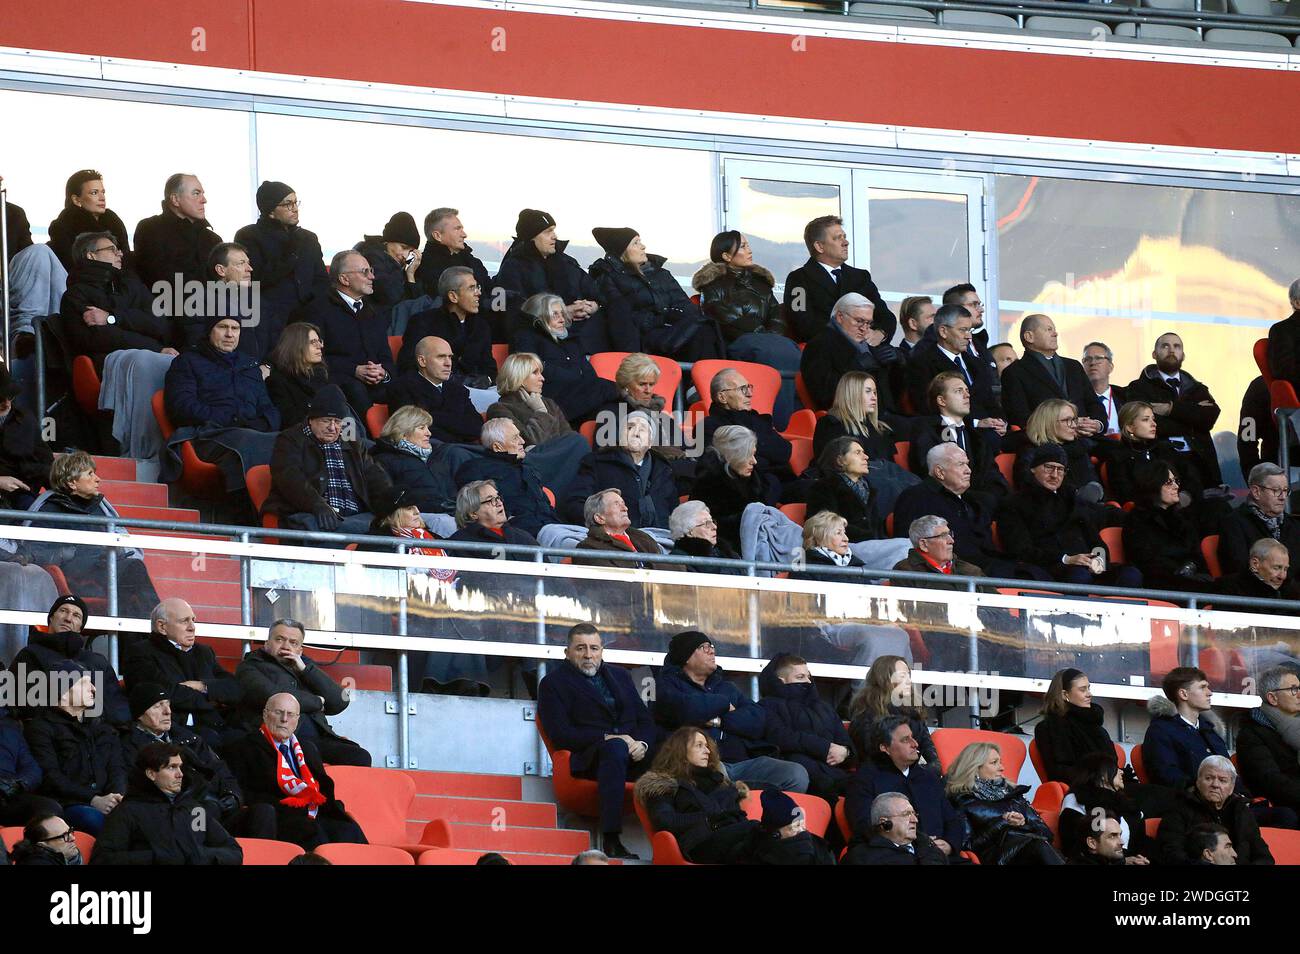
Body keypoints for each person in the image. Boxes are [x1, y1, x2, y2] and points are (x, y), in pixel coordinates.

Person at [537, 623, 658, 859]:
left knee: (676, 748)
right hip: (589, 758)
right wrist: (610, 738)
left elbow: (646, 722)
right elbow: (560, 733)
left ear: (602, 651)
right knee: (614, 749)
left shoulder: (621, 676)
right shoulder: (553, 683)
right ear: (567, 653)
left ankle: (679, 839)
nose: (588, 655)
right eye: (580, 648)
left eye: (594, 648)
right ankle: (611, 839)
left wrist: (640, 744)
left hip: (632, 755)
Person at [653, 630, 809, 793]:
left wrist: (718, 720)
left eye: (711, 647)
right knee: (715, 775)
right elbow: (687, 710)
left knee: (795, 774)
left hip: (743, 762)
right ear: (686, 656)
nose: (712, 651)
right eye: (704, 647)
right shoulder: (667, 686)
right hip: (705, 765)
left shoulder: (726, 687)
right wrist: (725, 704)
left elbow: (758, 720)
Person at [27, 453, 161, 625]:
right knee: (133, 570)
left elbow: (124, 540)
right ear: (71, 482)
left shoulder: (101, 509)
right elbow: (32, 550)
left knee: (131, 586)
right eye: (90, 474)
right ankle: (160, 625)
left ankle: (150, 631)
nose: (98, 479)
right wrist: (67, 552)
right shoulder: (49, 510)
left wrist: (118, 550)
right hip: (75, 579)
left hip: (104, 573)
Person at [222, 691, 367, 849]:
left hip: (315, 811)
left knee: (349, 830)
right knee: (313, 831)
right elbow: (242, 792)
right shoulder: (243, 747)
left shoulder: (307, 748)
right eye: (278, 712)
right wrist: (291, 805)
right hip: (280, 815)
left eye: (290, 714)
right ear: (265, 715)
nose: (284, 719)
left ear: (297, 721)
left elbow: (322, 786)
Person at [119, 683, 261, 838]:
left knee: (263, 812)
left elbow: (220, 770)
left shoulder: (189, 738)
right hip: (175, 815)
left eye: (168, 704)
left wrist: (232, 796)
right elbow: (136, 786)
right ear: (140, 714)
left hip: (214, 809)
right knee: (204, 811)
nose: (167, 712)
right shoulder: (129, 745)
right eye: (158, 706)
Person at [161, 313, 281, 491]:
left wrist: (259, 424)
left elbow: (269, 408)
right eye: (223, 327)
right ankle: (245, 513)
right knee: (250, 441)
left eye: (235, 328)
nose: (230, 334)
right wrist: (231, 420)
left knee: (288, 442)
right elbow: (181, 408)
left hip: (248, 432)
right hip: (206, 435)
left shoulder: (249, 366)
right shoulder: (187, 362)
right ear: (210, 331)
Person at [693, 230, 800, 424]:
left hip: (764, 340)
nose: (749, 250)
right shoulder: (713, 283)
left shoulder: (761, 283)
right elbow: (721, 316)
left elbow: (776, 314)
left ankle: (789, 418)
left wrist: (770, 335)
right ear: (726, 256)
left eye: (748, 245)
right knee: (773, 351)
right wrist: (759, 334)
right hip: (736, 341)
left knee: (789, 349)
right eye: (742, 246)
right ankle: (780, 420)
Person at [996, 443, 1138, 587]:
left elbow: (1096, 541)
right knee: (1079, 577)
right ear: (1033, 468)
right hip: (1051, 568)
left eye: (1060, 469)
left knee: (1130, 574)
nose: (1054, 475)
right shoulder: (1014, 504)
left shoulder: (1074, 500)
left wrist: (1099, 561)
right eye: (1049, 467)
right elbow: (1020, 549)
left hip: (1087, 567)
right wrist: (1066, 559)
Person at [235, 619, 372, 767]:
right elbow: (273, 696)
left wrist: (305, 670)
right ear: (267, 644)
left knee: (360, 756)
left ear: (300, 650)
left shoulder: (305, 667)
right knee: (310, 754)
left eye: (293, 643)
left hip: (319, 739)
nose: (286, 646)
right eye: (279, 640)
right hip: (280, 740)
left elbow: (340, 701)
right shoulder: (250, 666)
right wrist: (318, 702)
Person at [263, 384, 393, 534]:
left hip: (356, 516)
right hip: (311, 513)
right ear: (311, 420)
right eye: (326, 420)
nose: (333, 427)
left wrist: (393, 506)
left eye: (338, 422)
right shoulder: (290, 439)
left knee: (393, 527)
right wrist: (316, 505)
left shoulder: (353, 443)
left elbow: (375, 476)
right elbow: (290, 478)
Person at [893, 443, 1031, 579]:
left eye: (967, 464)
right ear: (940, 472)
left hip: (988, 568)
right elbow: (909, 547)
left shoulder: (976, 500)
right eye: (961, 465)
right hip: (954, 574)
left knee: (1035, 573)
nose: (968, 470)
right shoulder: (916, 497)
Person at [90, 743, 243, 865]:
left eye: (180, 767)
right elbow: (103, 859)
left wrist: (201, 855)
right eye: (172, 767)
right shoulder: (127, 811)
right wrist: (158, 857)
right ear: (151, 774)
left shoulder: (194, 810)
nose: (180, 774)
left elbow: (233, 851)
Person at [24, 663, 127, 836]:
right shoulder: (40, 729)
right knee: (94, 820)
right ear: (63, 692)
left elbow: (117, 768)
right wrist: (93, 799)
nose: (94, 689)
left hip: (109, 800)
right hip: (69, 805)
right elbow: (51, 777)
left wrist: (116, 796)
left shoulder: (102, 727)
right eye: (84, 683)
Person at [843, 714, 967, 857]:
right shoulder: (864, 780)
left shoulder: (929, 778)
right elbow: (864, 826)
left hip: (939, 856)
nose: (915, 743)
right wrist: (919, 844)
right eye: (905, 740)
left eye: (912, 737)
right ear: (885, 747)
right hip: (892, 856)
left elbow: (952, 820)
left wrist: (949, 844)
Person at [589, 227, 720, 360]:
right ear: (622, 251)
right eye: (636, 243)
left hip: (675, 330)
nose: (643, 246)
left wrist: (679, 316)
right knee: (701, 332)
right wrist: (662, 318)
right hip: (644, 338)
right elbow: (620, 316)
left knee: (707, 326)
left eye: (640, 241)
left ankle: (706, 377)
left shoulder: (662, 274)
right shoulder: (608, 277)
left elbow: (685, 305)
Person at [122, 598, 240, 746]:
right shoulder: (141, 652)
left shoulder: (204, 652)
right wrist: (213, 698)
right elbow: (164, 694)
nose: (192, 627)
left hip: (216, 727)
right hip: (173, 733)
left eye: (193, 620)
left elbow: (235, 688)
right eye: (184, 621)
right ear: (162, 627)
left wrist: (202, 686)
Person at [633, 726, 760, 864]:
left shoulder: (720, 782)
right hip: (697, 844)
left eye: (707, 746)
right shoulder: (663, 783)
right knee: (757, 829)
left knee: (776, 845)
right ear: (680, 751)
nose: (707, 751)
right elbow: (665, 821)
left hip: (731, 841)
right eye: (699, 746)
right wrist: (710, 819)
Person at [232, 181, 329, 354]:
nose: (295, 208)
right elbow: (257, 277)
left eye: (296, 202)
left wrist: (314, 303)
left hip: (309, 314)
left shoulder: (308, 238)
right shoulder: (249, 235)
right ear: (270, 211)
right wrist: (291, 254)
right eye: (287, 204)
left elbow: (321, 278)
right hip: (269, 317)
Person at [494, 209, 609, 352]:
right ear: (532, 237)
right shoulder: (512, 268)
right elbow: (512, 314)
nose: (554, 236)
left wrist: (594, 305)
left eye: (553, 231)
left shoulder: (567, 263)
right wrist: (562, 312)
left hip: (582, 342)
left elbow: (596, 292)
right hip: (541, 346)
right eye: (548, 231)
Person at [60, 230, 174, 372]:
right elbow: (100, 338)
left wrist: (111, 317)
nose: (120, 254)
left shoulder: (132, 285)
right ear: (91, 255)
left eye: (118, 249)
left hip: (152, 356)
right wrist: (155, 348)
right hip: (109, 367)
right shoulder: (75, 295)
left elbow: (160, 324)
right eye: (111, 249)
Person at [1124, 331, 1224, 491]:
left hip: (1202, 462)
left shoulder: (1197, 388)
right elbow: (1147, 424)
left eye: (1176, 346)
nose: (1171, 350)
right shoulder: (1138, 388)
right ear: (1154, 354)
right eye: (1165, 346)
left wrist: (1169, 409)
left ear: (1183, 355)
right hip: (1161, 461)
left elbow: (1209, 418)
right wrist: (1192, 419)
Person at [9, 595, 130, 726]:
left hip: (100, 740)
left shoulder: (97, 661)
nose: (68, 618)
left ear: (80, 628)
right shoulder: (30, 655)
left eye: (76, 615)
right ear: (51, 618)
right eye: (63, 611)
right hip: (51, 737)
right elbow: (25, 707)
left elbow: (118, 711)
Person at [297, 250, 395, 412]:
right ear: (344, 279)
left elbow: (386, 357)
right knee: (355, 390)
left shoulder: (374, 313)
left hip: (377, 384)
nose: (372, 277)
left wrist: (383, 373)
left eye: (371, 271)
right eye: (365, 272)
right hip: (340, 382)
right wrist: (354, 370)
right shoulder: (317, 310)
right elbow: (310, 358)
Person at [813, 371, 917, 517]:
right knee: (891, 486)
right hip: (857, 477)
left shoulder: (879, 428)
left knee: (918, 487)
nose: (874, 397)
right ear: (852, 394)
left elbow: (890, 465)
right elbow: (831, 464)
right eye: (868, 392)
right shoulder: (831, 424)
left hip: (886, 474)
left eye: (875, 392)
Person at [484, 352, 590, 496]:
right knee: (578, 441)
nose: (543, 378)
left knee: (578, 442)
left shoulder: (549, 404)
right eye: (535, 373)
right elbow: (526, 443)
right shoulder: (499, 409)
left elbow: (567, 438)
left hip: (559, 461)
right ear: (519, 377)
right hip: (530, 466)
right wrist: (540, 412)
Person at [945, 742, 1064, 865]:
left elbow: (1047, 834)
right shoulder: (962, 800)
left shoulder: (1013, 794)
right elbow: (966, 846)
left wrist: (1024, 822)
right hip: (1001, 857)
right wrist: (1002, 823)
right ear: (974, 768)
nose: (1002, 768)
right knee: (1039, 847)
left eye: (1000, 762)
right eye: (994, 763)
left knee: (1042, 847)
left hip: (1034, 849)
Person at [782, 215, 895, 344]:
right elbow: (801, 323)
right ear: (819, 246)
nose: (846, 242)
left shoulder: (861, 277)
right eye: (837, 238)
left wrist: (879, 334)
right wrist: (848, 334)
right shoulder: (799, 279)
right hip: (825, 353)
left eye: (844, 237)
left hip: (867, 352)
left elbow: (886, 317)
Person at [757, 653, 855, 802]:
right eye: (800, 677)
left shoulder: (824, 708)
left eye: (809, 677)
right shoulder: (767, 706)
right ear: (781, 681)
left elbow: (846, 743)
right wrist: (823, 747)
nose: (808, 682)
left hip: (836, 773)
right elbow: (781, 737)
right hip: (803, 775)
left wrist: (845, 752)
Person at [511, 292, 617, 424]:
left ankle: (609, 444)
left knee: (613, 410)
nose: (562, 319)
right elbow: (532, 369)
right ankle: (637, 396)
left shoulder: (571, 340)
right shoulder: (526, 338)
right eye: (555, 314)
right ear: (538, 315)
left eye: (562, 313)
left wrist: (585, 383)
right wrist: (577, 378)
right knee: (609, 388)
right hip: (552, 401)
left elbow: (588, 371)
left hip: (581, 399)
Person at [805, 440, 911, 569]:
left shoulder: (869, 487)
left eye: (864, 452)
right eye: (857, 452)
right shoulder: (823, 487)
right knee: (907, 547)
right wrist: (867, 535)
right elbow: (823, 525)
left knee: (910, 549)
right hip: (846, 546)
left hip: (871, 545)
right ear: (840, 460)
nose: (866, 457)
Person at [564, 412, 676, 531]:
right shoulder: (596, 463)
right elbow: (576, 504)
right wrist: (603, 527)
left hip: (659, 540)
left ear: (650, 443)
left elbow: (674, 513)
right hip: (613, 540)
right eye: (630, 427)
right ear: (620, 436)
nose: (636, 433)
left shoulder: (664, 470)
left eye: (642, 430)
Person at [910, 371, 1008, 507]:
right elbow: (929, 474)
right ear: (941, 400)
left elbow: (991, 473)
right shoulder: (927, 432)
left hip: (979, 503)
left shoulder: (976, 436)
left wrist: (995, 496)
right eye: (958, 391)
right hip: (945, 502)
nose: (967, 395)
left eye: (967, 390)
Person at [454, 418, 561, 539]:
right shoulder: (475, 468)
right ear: (497, 447)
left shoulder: (528, 469)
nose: (522, 441)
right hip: (522, 533)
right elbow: (475, 506)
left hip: (554, 527)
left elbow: (545, 505)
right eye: (515, 438)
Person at [1156, 756, 1274, 865]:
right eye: (1209, 778)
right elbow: (1171, 854)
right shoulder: (1179, 808)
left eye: (1222, 780)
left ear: (1231, 787)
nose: (1215, 784)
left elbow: (1264, 856)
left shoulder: (1241, 811)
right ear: (1198, 782)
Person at [999, 313, 1105, 432]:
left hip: (1086, 437)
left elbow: (1093, 403)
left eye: (1054, 330)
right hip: (1046, 441)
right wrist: (1064, 425)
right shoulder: (1014, 372)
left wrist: (1097, 424)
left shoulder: (1073, 366)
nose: (1055, 333)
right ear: (1029, 336)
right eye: (1049, 329)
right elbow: (1018, 416)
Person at [1123, 462, 1216, 593]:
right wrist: (1180, 570)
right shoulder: (1137, 519)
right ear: (1152, 484)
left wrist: (1190, 567)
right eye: (1168, 482)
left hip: (1190, 579)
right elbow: (1146, 561)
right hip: (1161, 584)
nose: (1176, 486)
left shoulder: (1182, 518)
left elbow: (1196, 554)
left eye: (1176, 481)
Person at [799, 292, 900, 411]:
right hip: (849, 419)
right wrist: (857, 367)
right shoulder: (820, 345)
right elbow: (823, 395)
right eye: (859, 321)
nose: (864, 328)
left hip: (883, 415)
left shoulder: (869, 345)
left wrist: (898, 363)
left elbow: (892, 393)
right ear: (840, 317)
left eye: (868, 323)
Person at [688, 425, 781, 554]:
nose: (754, 461)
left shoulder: (757, 480)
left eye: (754, 455)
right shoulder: (707, 484)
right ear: (732, 455)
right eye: (748, 455)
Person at [399, 265, 495, 389]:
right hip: (435, 392)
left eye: (478, 287)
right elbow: (408, 365)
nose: (479, 293)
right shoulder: (423, 322)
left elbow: (490, 368)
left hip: (478, 392)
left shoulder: (481, 326)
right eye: (472, 288)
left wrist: (486, 379)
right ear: (453, 296)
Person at [906, 303, 1002, 424]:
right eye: (963, 330)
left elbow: (990, 402)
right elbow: (927, 408)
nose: (969, 336)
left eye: (970, 330)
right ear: (943, 331)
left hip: (989, 431)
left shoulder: (978, 363)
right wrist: (976, 423)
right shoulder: (922, 363)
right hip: (949, 433)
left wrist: (1001, 422)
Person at [370, 405, 463, 528]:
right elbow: (390, 501)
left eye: (428, 428)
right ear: (403, 433)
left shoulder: (435, 458)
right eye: (421, 428)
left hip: (449, 512)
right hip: (417, 516)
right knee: (446, 523)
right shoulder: (384, 460)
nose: (429, 433)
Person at [1143, 667, 1231, 791]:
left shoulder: (1210, 731)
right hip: (1189, 804)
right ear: (1183, 694)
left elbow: (1230, 773)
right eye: (1202, 687)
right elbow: (1166, 776)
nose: (1209, 692)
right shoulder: (1160, 731)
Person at [386, 335, 484, 445]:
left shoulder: (458, 389)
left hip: (463, 450)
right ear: (422, 361)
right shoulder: (402, 387)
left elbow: (477, 427)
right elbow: (412, 430)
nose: (448, 363)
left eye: (450, 357)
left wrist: (433, 416)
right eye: (441, 357)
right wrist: (457, 421)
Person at [1057, 750, 1153, 863]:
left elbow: (1138, 836)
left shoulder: (1122, 802)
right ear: (1103, 774)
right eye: (1115, 768)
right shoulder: (1080, 801)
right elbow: (1087, 846)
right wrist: (1123, 861)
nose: (1121, 772)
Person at [701, 367, 794, 483]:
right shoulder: (706, 426)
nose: (749, 394)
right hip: (744, 488)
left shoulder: (758, 419)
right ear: (722, 397)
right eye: (742, 389)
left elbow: (784, 451)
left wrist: (748, 446)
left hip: (782, 481)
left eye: (749, 388)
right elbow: (726, 465)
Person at [594, 352, 690, 464]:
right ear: (626, 385)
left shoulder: (663, 418)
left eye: (652, 384)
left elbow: (690, 451)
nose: (648, 390)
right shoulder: (611, 413)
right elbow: (607, 456)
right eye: (642, 384)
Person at [132, 173, 222, 291]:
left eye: (202, 194)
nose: (204, 200)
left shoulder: (212, 239)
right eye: (196, 193)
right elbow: (156, 279)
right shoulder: (150, 229)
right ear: (175, 199)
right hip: (168, 305)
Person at [847, 654, 938, 766]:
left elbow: (928, 747)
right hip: (880, 776)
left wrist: (933, 768)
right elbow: (869, 755)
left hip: (910, 774)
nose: (909, 681)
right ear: (885, 679)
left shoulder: (913, 710)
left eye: (909, 676)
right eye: (902, 676)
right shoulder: (867, 713)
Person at [1100, 400, 1194, 506]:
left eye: (1153, 419)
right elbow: (1126, 495)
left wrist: (1185, 497)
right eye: (1145, 420)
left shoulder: (1164, 449)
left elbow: (1191, 480)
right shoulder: (1118, 457)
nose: (1154, 424)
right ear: (1129, 427)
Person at [265, 321, 356, 428]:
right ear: (296, 346)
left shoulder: (324, 377)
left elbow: (345, 421)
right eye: (313, 342)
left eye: (319, 341)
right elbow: (291, 422)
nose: (320, 346)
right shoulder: (278, 382)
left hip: (341, 437)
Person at [1235, 665, 1300, 814]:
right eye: (1293, 689)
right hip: (1284, 809)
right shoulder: (1251, 735)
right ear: (1272, 698)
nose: (1299, 694)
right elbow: (1272, 783)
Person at [1033, 668, 1116, 784]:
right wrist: (1101, 778)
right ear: (1064, 694)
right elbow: (1060, 772)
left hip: (1109, 785)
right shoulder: (1051, 728)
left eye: (1089, 688)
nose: (1089, 694)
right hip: (1085, 791)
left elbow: (1113, 763)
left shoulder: (1094, 724)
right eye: (1083, 690)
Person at [1220, 462, 1300, 581]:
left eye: (1285, 490)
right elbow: (1239, 569)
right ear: (1256, 492)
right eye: (1276, 490)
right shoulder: (1233, 523)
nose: (1283, 497)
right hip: (1255, 595)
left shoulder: (1294, 525)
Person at [1009, 398, 1103, 500]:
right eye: (1067, 420)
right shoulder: (1031, 453)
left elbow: (1093, 485)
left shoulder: (1079, 448)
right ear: (1049, 423)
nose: (1073, 426)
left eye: (1074, 420)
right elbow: (1030, 492)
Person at [48, 169, 132, 270]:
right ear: (76, 199)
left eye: (103, 192)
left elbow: (127, 260)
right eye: (94, 193)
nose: (102, 198)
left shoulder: (113, 221)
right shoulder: (62, 227)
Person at [414, 207, 494, 310]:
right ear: (438, 236)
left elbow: (491, 291)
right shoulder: (423, 267)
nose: (464, 235)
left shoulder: (473, 262)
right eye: (457, 229)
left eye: (462, 229)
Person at [841, 792, 949, 865]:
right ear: (885, 823)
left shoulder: (928, 846)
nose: (915, 820)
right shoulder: (862, 859)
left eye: (914, 814)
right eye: (906, 814)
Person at [0, 362, 53, 510]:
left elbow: (45, 460)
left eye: (9, 396)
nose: (6, 403)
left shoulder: (24, 419)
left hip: (22, 494)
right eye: (0, 398)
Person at [353, 211, 426, 315]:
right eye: (403, 247)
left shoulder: (400, 266)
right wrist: (404, 273)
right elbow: (391, 297)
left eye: (410, 251)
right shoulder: (372, 258)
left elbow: (418, 306)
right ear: (389, 241)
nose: (405, 255)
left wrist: (410, 275)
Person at [0, 701, 60, 826]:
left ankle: (31, 846)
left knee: (48, 809)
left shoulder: (10, 725)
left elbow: (32, 768)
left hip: (7, 794)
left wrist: (16, 784)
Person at [572, 489, 664, 568]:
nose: (625, 508)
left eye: (623, 503)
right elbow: (609, 585)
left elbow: (667, 567)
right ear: (599, 518)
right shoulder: (588, 548)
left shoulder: (643, 538)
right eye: (616, 504)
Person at [890, 515, 984, 590]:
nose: (951, 541)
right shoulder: (905, 571)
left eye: (950, 534)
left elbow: (995, 609)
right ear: (924, 544)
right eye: (943, 536)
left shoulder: (971, 570)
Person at [751, 788, 837, 865]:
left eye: (802, 825)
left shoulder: (821, 850)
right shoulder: (755, 848)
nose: (802, 832)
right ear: (776, 834)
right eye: (795, 827)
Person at [448, 479, 540, 550]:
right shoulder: (460, 544)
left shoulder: (522, 536)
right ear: (473, 513)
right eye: (490, 500)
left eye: (498, 498)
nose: (499, 503)